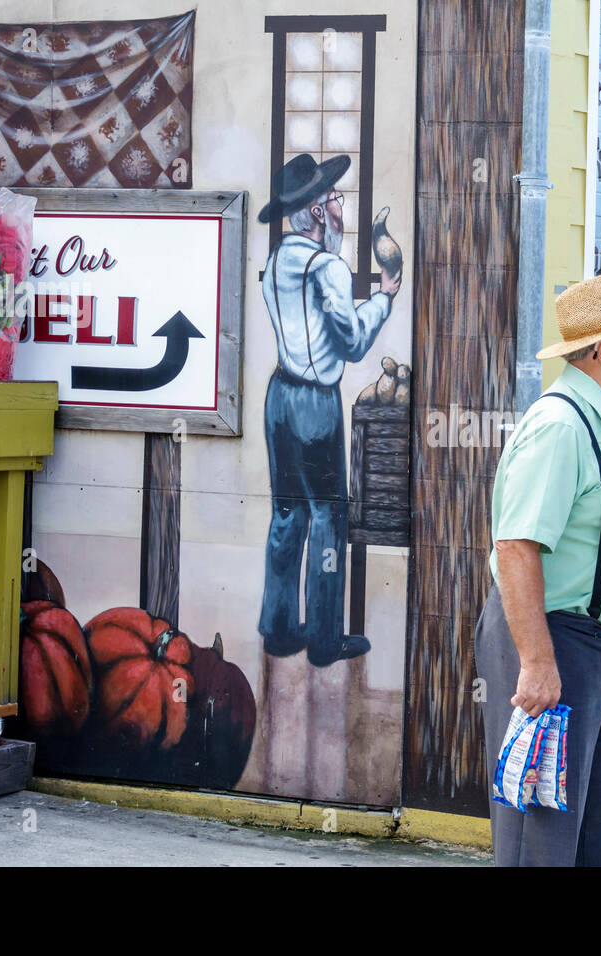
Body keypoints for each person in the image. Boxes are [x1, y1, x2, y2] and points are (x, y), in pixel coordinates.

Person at [474, 271, 601, 866]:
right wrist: (537, 663)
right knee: (544, 825)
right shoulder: (561, 425)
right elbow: (516, 547)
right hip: (549, 640)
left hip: (593, 644)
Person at [256, 153, 402, 667]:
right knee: (328, 516)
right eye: (335, 200)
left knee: (287, 513)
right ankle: (322, 639)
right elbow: (354, 343)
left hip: (279, 397)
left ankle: (276, 628)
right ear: (318, 212)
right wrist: (384, 298)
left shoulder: (276, 262)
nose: (341, 208)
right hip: (316, 404)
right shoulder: (328, 269)